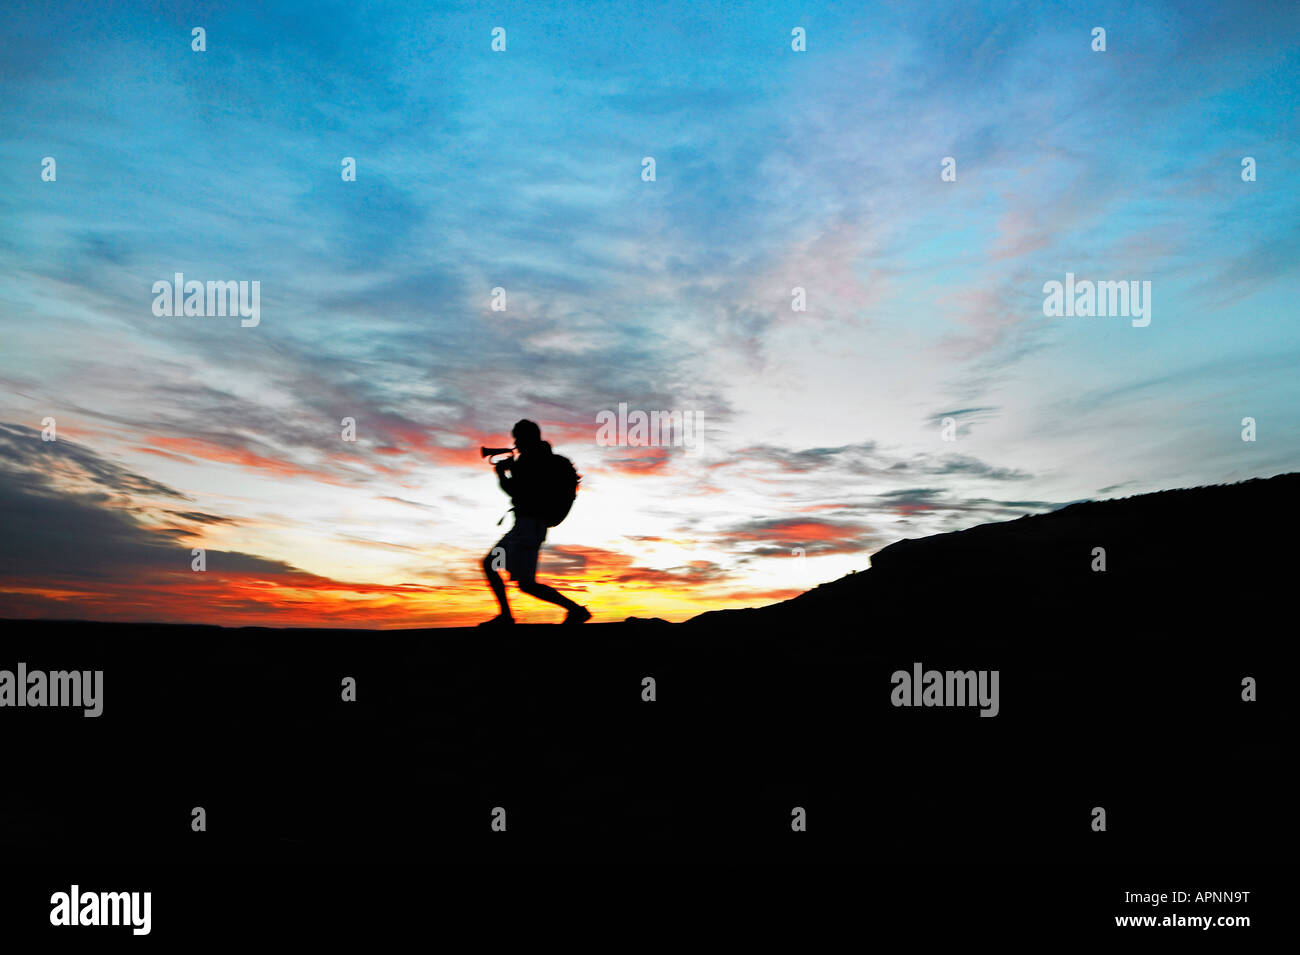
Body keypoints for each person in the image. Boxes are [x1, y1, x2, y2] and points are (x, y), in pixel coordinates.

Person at [481, 419, 591, 626]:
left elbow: (515, 492)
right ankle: (508, 615)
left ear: (525, 437)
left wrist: (501, 475)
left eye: (517, 438)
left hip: (528, 528)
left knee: (524, 583)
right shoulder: (541, 459)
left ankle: (574, 610)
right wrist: (509, 473)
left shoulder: (530, 460)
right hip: (525, 528)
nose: (515, 443)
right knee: (494, 566)